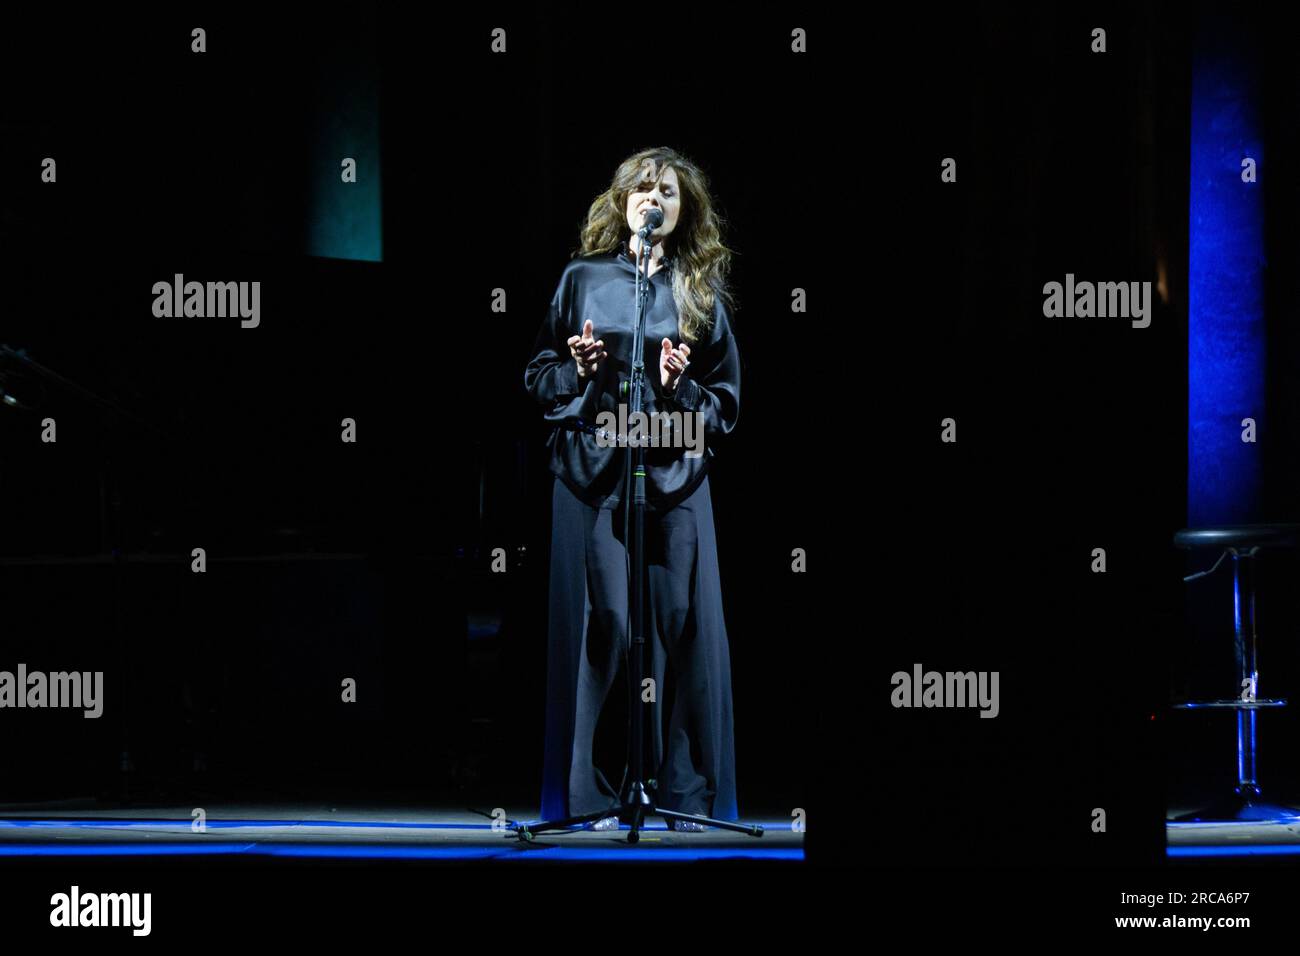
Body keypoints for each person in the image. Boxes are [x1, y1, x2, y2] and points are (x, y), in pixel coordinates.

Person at [524, 146, 741, 831]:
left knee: (679, 624)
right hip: (596, 472)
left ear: (684, 210)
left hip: (673, 474)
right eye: (645, 189)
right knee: (609, 623)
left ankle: (682, 791)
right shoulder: (583, 278)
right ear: (623, 203)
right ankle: (589, 793)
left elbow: (726, 403)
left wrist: (682, 389)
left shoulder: (697, 288)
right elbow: (539, 376)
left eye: (669, 192)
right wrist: (580, 371)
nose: (656, 200)